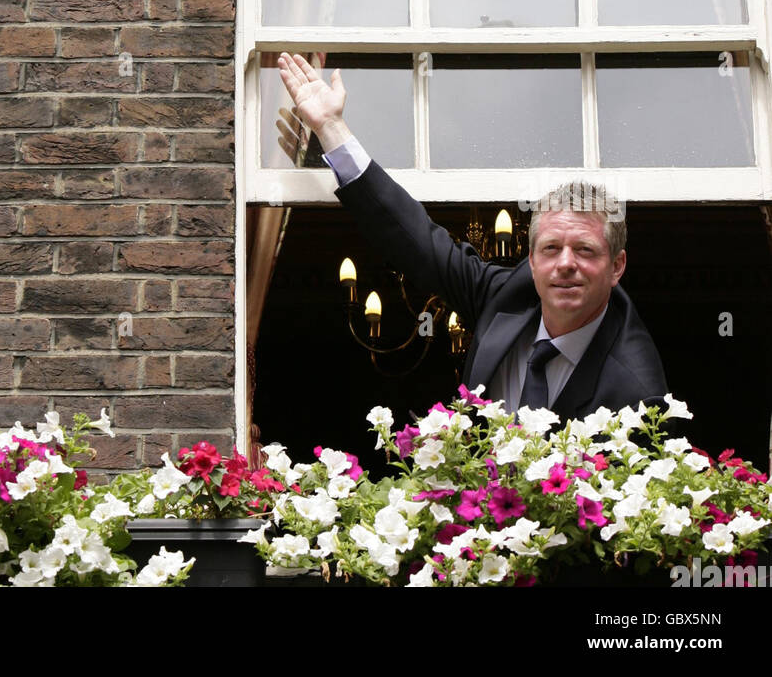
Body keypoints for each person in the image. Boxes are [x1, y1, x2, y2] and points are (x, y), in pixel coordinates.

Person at [276, 51, 668, 419]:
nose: (566, 263)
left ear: (616, 266)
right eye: (551, 248)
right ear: (531, 260)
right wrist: (330, 126)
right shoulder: (505, 295)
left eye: (585, 250)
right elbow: (416, 242)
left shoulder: (638, 391)